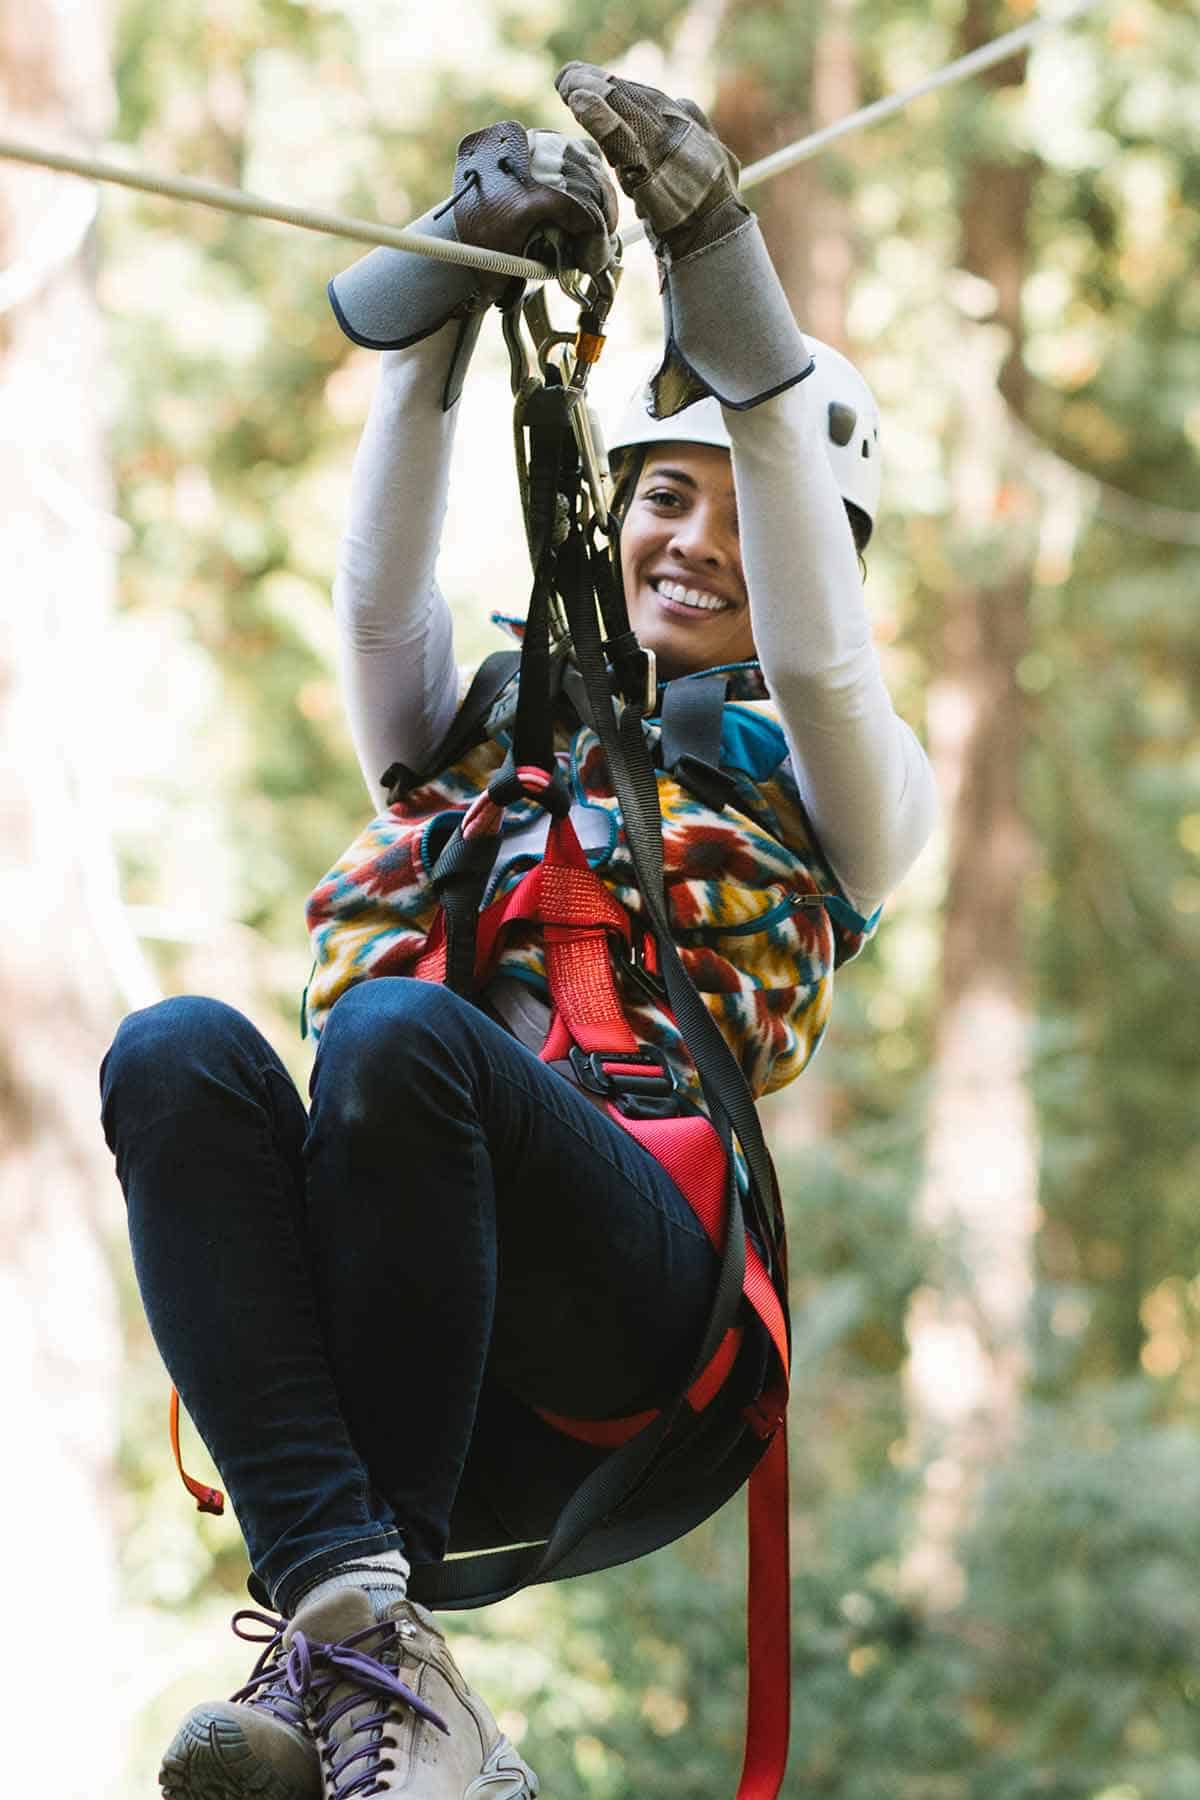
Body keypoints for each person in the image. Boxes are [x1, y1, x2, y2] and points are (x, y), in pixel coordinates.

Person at [100, 64, 936, 1800]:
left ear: (820, 558)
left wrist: (718, 252)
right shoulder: (476, 725)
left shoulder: (851, 779)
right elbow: (374, 596)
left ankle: (376, 1661)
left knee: (404, 1042)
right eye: (660, 493)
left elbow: (832, 651)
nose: (692, 540)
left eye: (739, 506)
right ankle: (363, 1646)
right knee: (173, 1054)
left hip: (639, 1316)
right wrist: (451, 308)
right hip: (408, 1322)